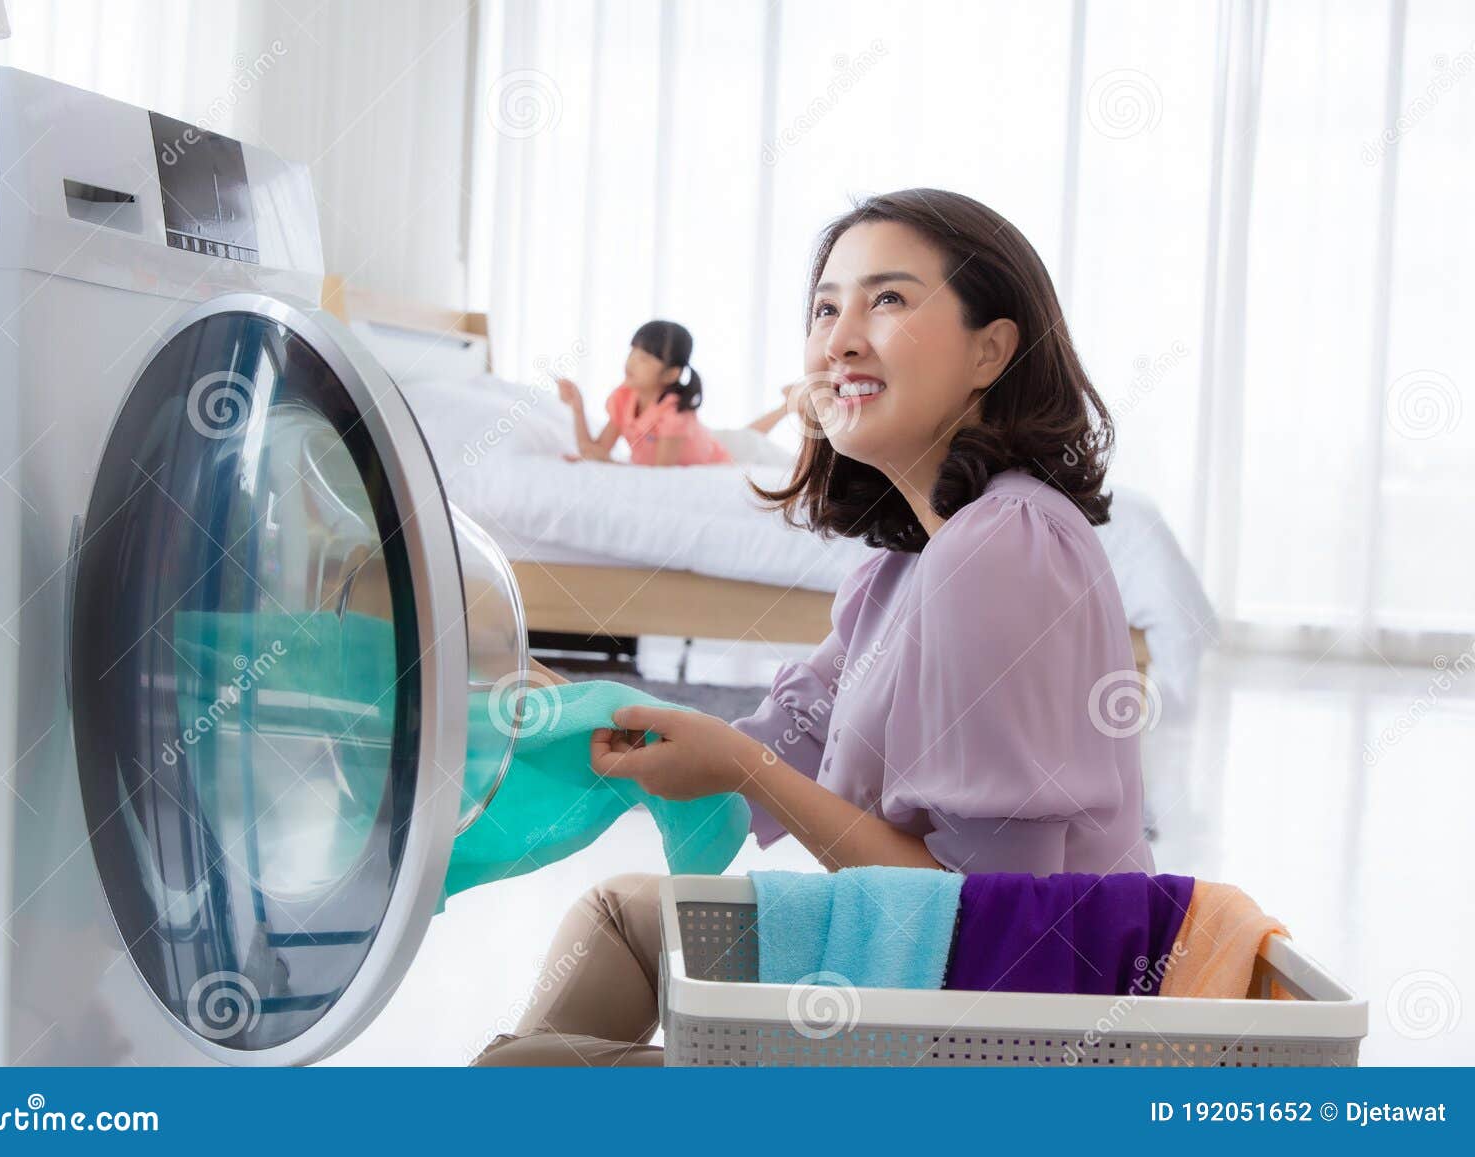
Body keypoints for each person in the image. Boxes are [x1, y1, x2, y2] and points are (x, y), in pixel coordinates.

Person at [477, 188, 1152, 1066]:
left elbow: (992, 913)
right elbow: (779, 739)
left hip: (1016, 1034)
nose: (838, 339)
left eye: (889, 299)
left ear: (992, 349)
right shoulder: (907, 563)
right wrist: (592, 714)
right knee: (614, 916)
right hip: (929, 969)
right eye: (825, 307)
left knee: (517, 1074)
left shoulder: (1003, 549)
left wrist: (741, 762)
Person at [557, 319, 791, 466]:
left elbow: (660, 473)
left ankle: (788, 406)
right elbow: (594, 451)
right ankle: (786, 406)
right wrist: (577, 407)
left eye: (645, 358)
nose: (631, 362)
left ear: (671, 375)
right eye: (632, 352)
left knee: (749, 440)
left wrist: (608, 462)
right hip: (701, 438)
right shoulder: (624, 397)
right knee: (745, 435)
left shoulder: (674, 413)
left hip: (716, 453)